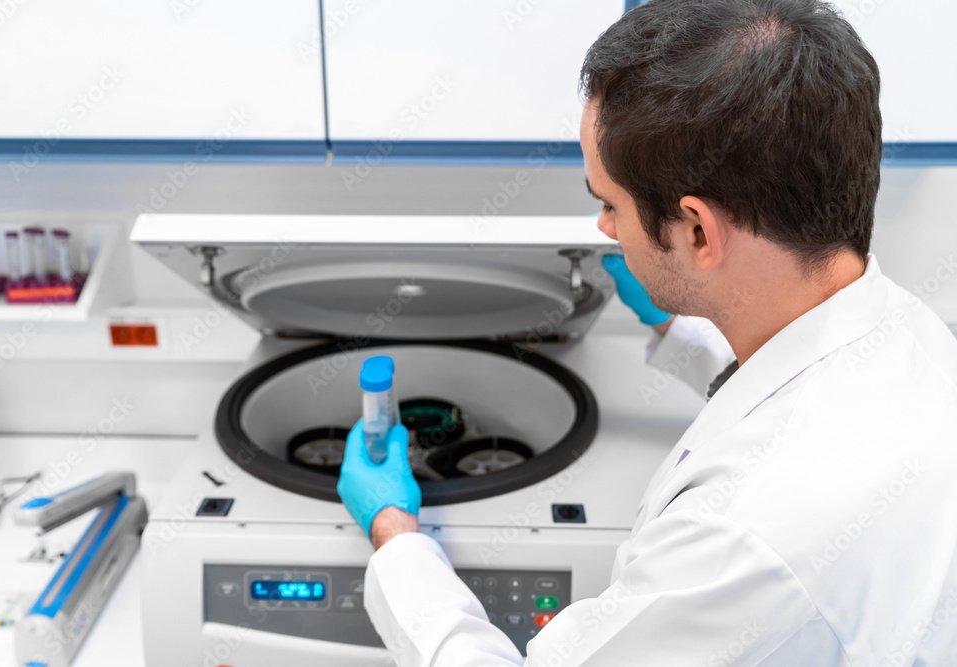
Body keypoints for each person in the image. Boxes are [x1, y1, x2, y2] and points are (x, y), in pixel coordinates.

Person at [336, 0, 957, 664]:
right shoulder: (915, 337)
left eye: (609, 203)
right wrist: (678, 320)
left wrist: (396, 537)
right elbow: (793, 399)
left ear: (696, 231)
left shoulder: (736, 538)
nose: (605, 228)